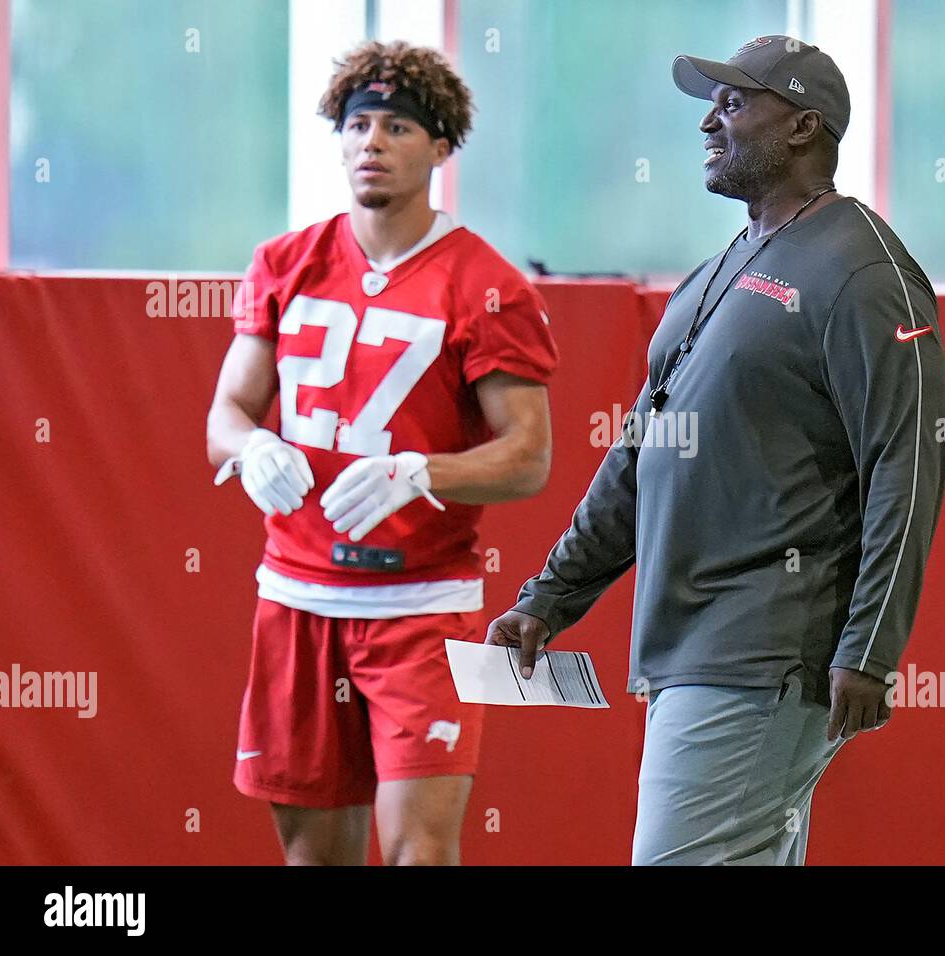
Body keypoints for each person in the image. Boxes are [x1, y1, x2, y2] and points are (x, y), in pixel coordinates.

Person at [486, 35, 945, 865]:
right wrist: (547, 598)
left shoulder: (863, 269)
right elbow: (640, 454)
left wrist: (872, 648)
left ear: (804, 126)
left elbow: (906, 465)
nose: (709, 121)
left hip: (764, 647)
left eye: (734, 103)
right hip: (691, 646)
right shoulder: (719, 269)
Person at [205, 40, 558, 865]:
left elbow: (529, 456)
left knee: (419, 855)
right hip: (297, 596)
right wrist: (252, 447)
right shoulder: (286, 263)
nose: (372, 142)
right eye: (358, 124)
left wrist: (421, 471)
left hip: (422, 607)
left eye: (397, 126)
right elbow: (225, 412)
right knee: (313, 858)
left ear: (439, 148)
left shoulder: (487, 282)